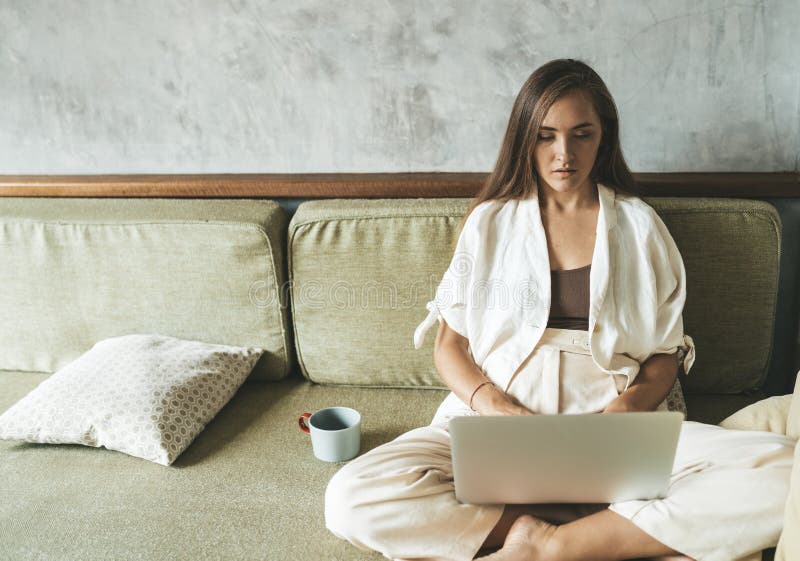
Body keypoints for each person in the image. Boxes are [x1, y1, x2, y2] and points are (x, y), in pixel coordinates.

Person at [324, 59, 794, 561]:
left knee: (784, 474)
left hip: (612, 430)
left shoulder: (639, 226)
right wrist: (493, 406)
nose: (563, 154)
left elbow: (664, 356)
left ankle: (555, 543)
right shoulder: (490, 223)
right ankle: (568, 526)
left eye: (581, 134)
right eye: (546, 136)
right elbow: (450, 345)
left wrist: (626, 411)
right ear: (525, 139)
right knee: (351, 497)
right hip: (498, 428)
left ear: (604, 138)